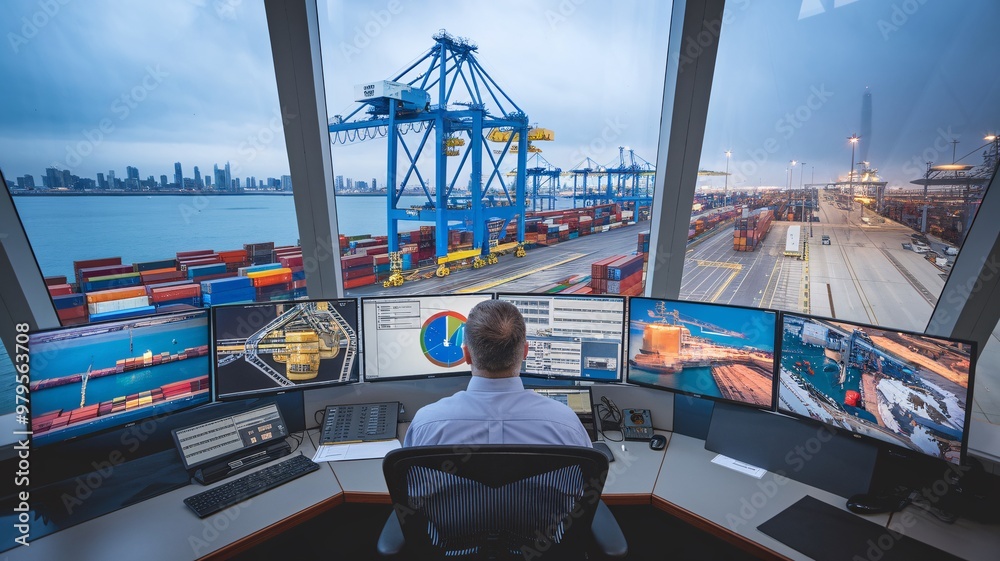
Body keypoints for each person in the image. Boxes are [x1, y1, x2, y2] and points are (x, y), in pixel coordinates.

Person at [403, 299, 592, 448]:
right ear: (525, 352)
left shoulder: (425, 425)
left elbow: (411, 483)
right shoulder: (567, 425)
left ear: (466, 355)